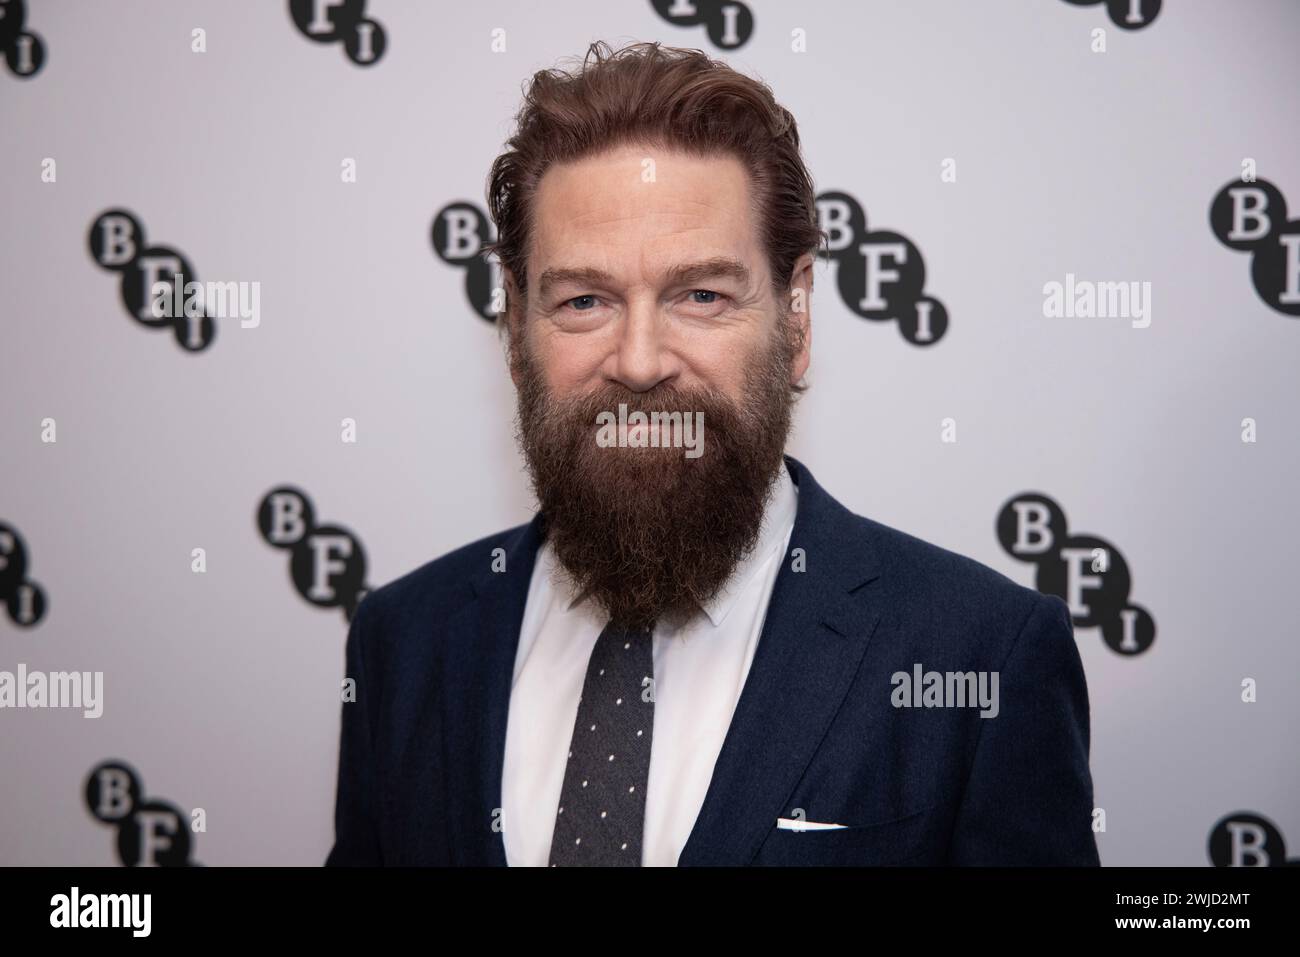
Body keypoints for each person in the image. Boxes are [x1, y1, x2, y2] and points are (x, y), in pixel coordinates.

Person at [325, 40, 1099, 867]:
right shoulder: (401, 642)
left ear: (796, 321)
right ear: (516, 330)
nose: (641, 360)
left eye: (701, 296)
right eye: (584, 300)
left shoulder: (979, 656)